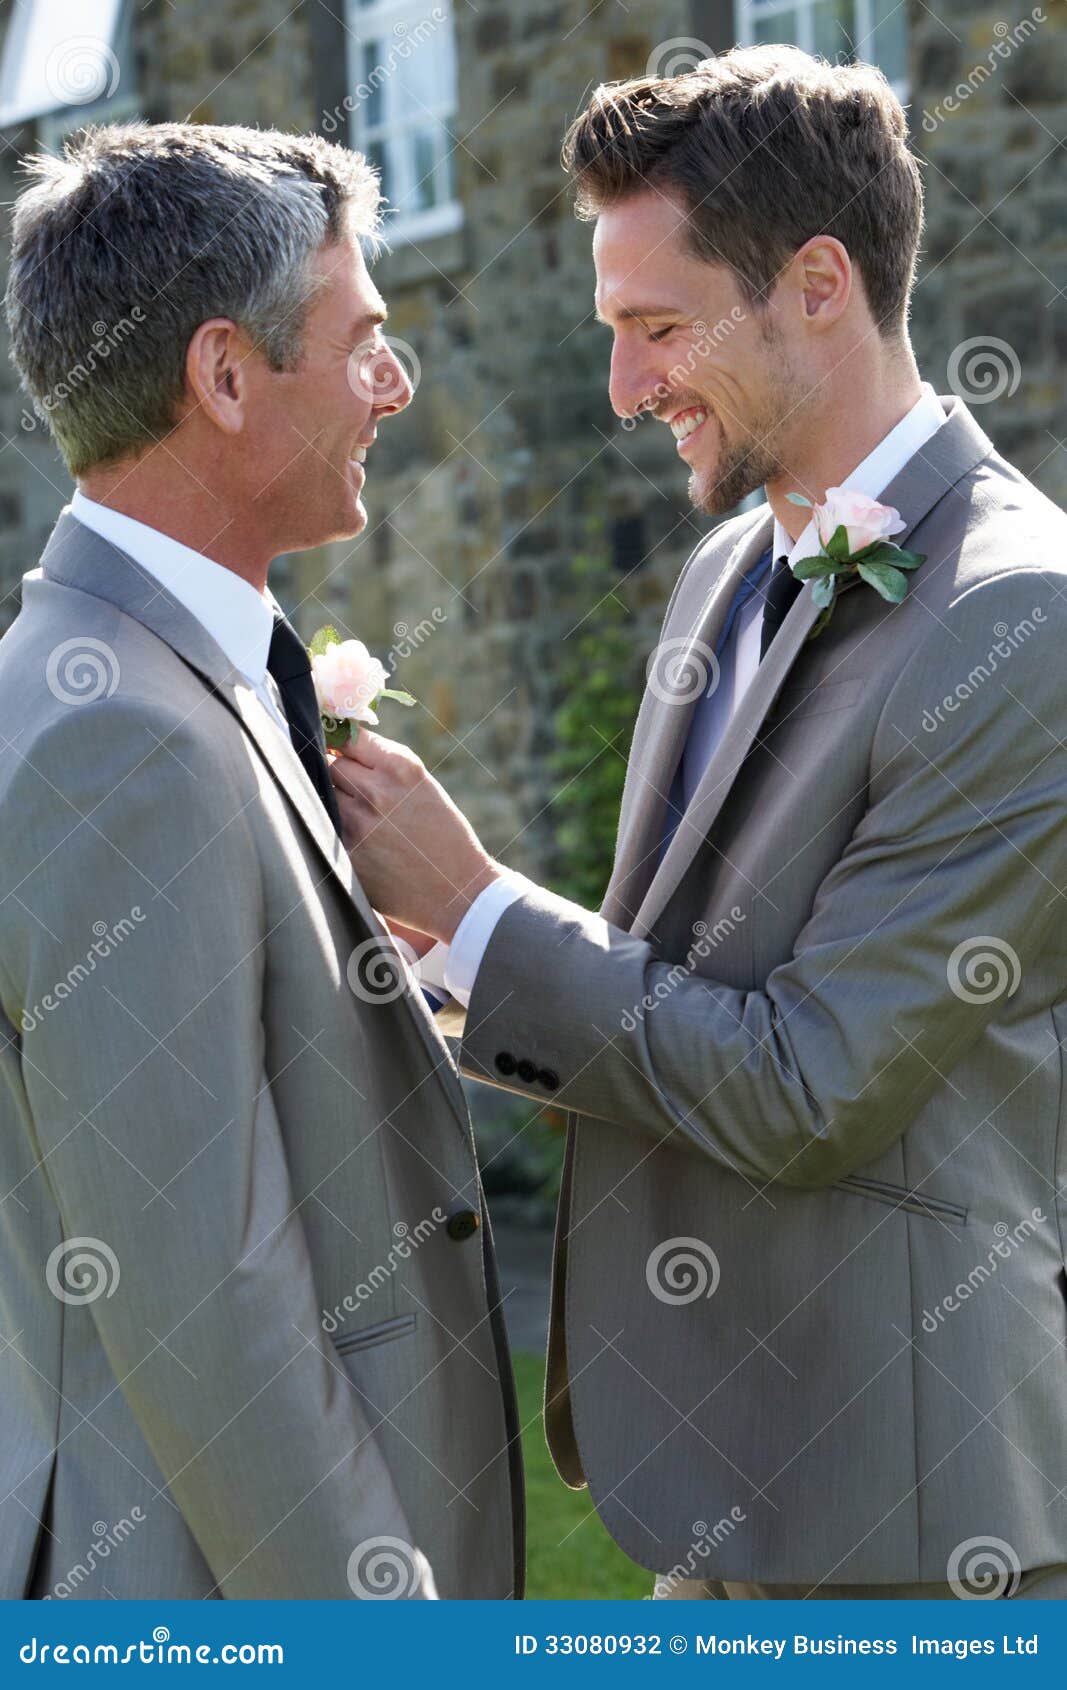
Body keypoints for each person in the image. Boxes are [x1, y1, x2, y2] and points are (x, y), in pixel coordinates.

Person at [330, 46, 1067, 1600]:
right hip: (711, 1502)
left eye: (659, 329)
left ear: (818, 285)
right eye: (616, 332)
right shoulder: (727, 569)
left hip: (913, 1526)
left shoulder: (1021, 620)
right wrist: (449, 951)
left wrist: (483, 908)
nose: (625, 389)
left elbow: (813, 1081)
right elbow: (672, 991)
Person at [0, 121, 522, 1600]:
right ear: (225, 378)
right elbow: (204, 1299)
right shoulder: (121, 741)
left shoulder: (139, 681)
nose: (394, 386)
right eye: (362, 342)